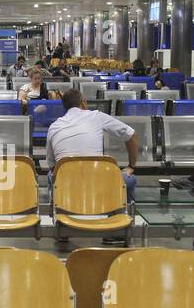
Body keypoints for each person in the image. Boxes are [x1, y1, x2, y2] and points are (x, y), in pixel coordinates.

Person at [46, 89, 140, 221]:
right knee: (130, 179)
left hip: (66, 184)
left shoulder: (54, 126)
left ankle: (61, 221)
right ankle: (117, 226)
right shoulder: (96, 116)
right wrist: (131, 166)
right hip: (98, 182)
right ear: (83, 103)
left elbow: (51, 165)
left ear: (65, 107)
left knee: (51, 176)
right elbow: (132, 135)